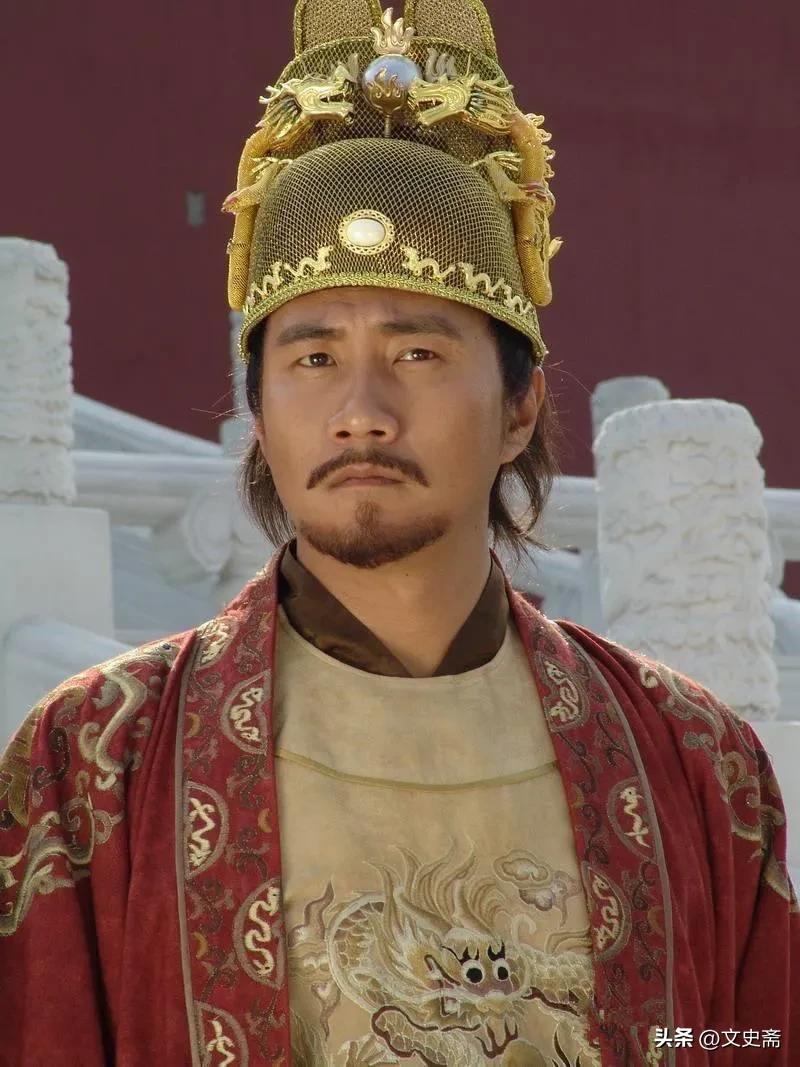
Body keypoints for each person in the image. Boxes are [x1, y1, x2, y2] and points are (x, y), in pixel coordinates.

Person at [1, 2, 797, 1064]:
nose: (361, 413)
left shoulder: (695, 767)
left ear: (519, 408)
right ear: (257, 412)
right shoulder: (98, 762)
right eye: (312, 358)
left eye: (418, 353)